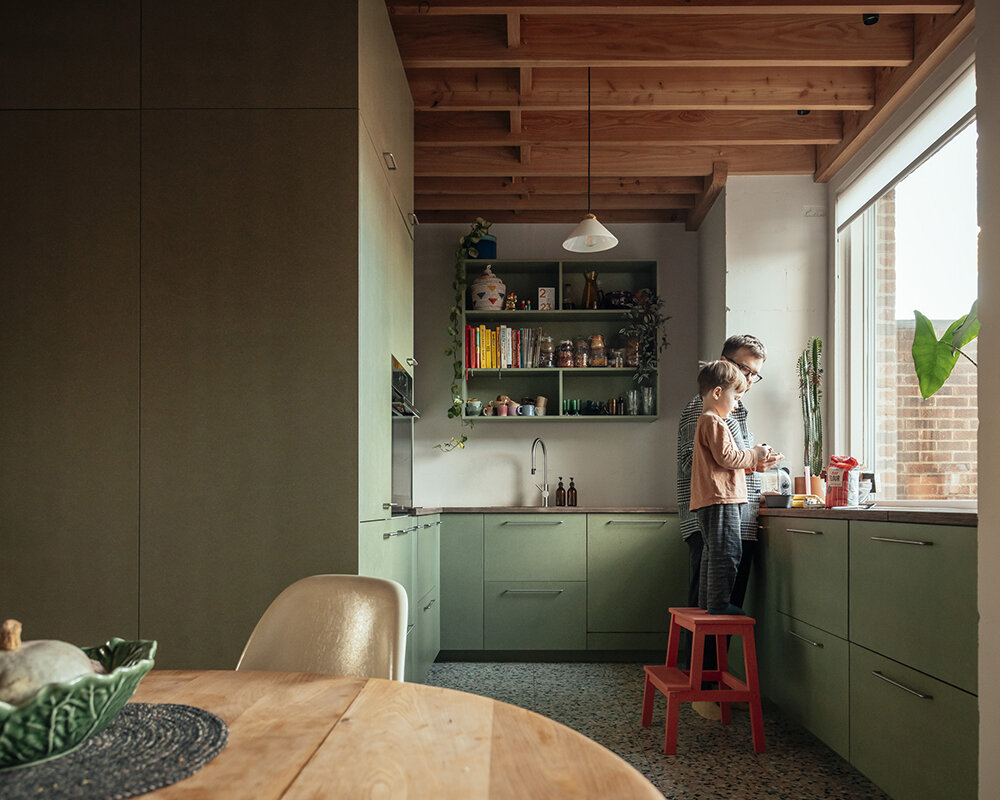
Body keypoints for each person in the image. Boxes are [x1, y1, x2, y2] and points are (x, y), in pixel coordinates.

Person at [676, 335, 779, 719]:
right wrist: (748, 458)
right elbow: (696, 463)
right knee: (710, 608)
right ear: (724, 363)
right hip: (712, 515)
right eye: (744, 370)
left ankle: (713, 690)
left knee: (717, 610)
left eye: (755, 374)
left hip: (735, 515)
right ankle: (701, 693)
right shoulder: (705, 409)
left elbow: (726, 461)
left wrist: (755, 462)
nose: (749, 380)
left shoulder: (732, 410)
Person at [690, 359, 772, 616]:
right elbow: (727, 457)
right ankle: (718, 603)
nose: (736, 405)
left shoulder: (705, 421)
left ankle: (707, 602)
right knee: (728, 552)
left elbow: (719, 463)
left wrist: (750, 464)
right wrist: (755, 454)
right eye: (735, 398)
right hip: (721, 499)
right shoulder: (714, 422)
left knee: (713, 552)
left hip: (711, 499)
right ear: (717, 393)